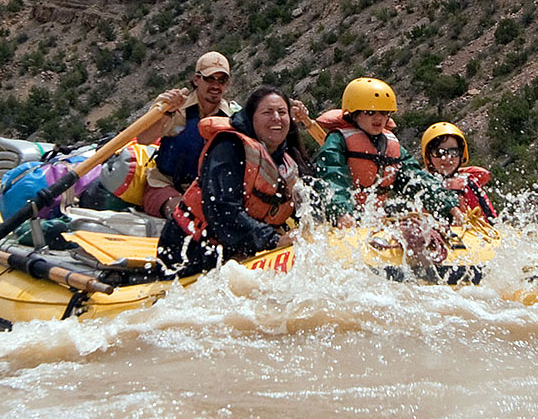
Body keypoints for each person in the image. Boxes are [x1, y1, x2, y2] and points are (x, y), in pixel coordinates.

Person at [157, 86, 313, 277]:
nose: (276, 118)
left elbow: (307, 205)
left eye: (282, 112)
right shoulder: (229, 147)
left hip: (236, 248)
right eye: (267, 112)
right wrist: (272, 240)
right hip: (190, 249)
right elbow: (221, 209)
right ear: (251, 117)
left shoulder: (287, 161)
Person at [314, 77, 464, 227]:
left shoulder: (392, 145)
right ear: (354, 113)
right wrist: (340, 212)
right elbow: (332, 176)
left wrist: (449, 205)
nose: (378, 118)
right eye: (370, 112)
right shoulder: (338, 140)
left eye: (384, 112)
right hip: (343, 216)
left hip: (374, 216)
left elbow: (416, 178)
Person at [137, 51, 240, 218]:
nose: (216, 85)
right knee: (185, 212)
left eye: (222, 80)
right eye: (209, 78)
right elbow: (143, 139)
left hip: (204, 191)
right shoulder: (173, 107)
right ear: (196, 80)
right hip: (163, 185)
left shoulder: (232, 118)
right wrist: (165, 113)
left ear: (227, 85)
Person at [421, 122, 497, 222]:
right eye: (439, 152)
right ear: (428, 157)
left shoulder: (468, 184)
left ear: (461, 154)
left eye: (454, 152)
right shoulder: (421, 184)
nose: (447, 158)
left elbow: (492, 222)